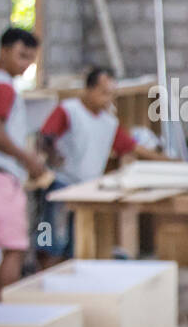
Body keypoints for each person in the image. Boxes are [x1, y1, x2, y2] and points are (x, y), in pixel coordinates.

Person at [35, 66, 169, 267]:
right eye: (103, 93)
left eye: (111, 94)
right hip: (60, 185)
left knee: (76, 244)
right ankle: (43, 281)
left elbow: (132, 147)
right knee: (50, 240)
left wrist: (167, 161)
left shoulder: (108, 123)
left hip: (87, 190)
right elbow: (46, 135)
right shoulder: (69, 110)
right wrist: (52, 154)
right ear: (89, 89)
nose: (107, 99)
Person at [0, 27, 47, 298]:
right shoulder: (3, 85)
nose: (25, 64)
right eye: (21, 55)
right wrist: (27, 158)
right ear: (4, 51)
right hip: (2, 178)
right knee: (14, 249)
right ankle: (8, 322)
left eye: (31, 59)